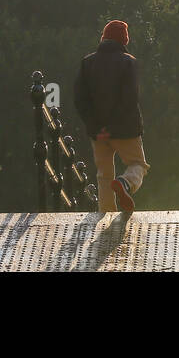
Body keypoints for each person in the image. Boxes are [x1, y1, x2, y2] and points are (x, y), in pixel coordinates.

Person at [74, 18, 150, 213]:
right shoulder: (128, 63)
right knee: (138, 165)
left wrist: (97, 127)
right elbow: (129, 99)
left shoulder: (87, 63)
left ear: (103, 38)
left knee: (104, 175)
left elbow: (80, 99)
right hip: (126, 129)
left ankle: (106, 214)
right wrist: (113, 127)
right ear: (124, 41)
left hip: (97, 133)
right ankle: (125, 184)